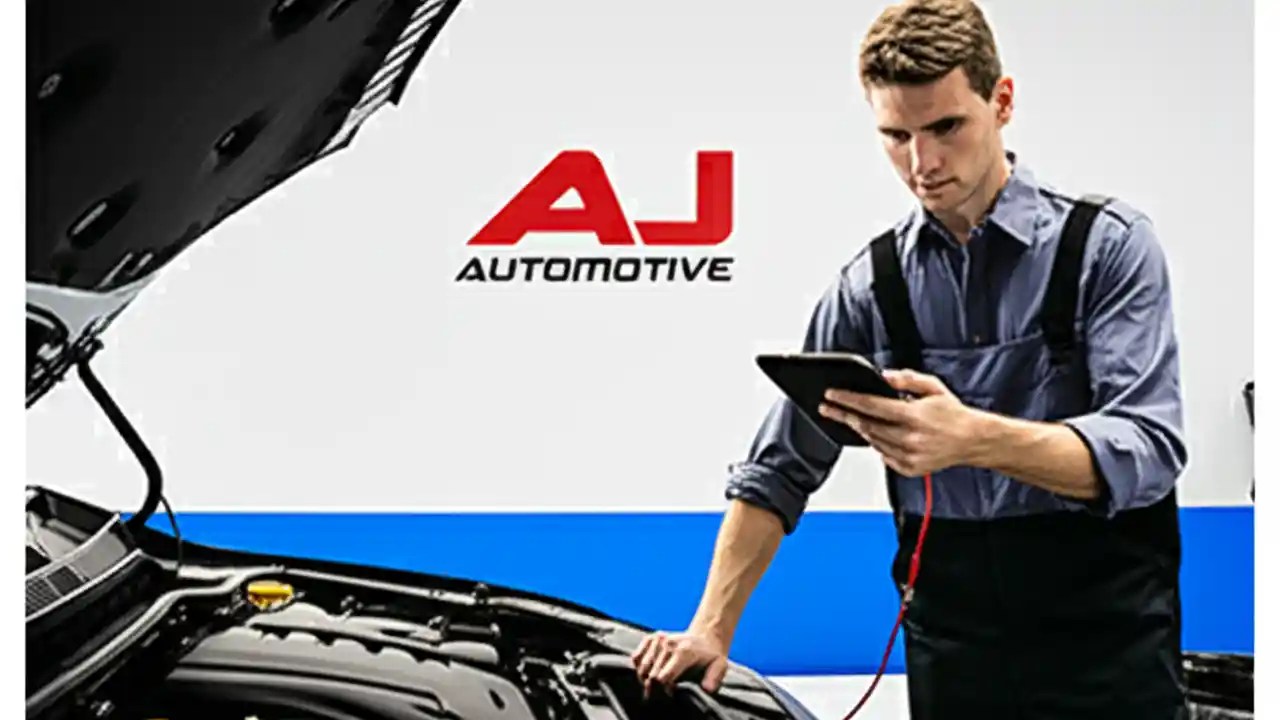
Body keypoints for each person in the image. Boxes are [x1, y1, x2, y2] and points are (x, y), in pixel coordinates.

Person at [630, 0, 1189, 717]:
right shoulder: (869, 287)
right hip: (954, 650)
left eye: (945, 127)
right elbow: (776, 471)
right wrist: (710, 628)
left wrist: (972, 438)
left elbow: (1148, 448)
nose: (922, 163)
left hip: (1107, 646)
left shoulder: (1107, 248)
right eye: (896, 135)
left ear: (1003, 102)